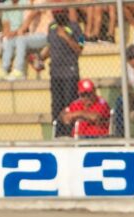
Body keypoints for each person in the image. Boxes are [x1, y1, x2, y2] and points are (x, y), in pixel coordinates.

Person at [42, 8, 82, 137]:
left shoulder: (76, 27)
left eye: (60, 13)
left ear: (66, 13)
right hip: (55, 72)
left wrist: (66, 37)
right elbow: (51, 46)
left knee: (70, 103)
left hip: (70, 73)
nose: (58, 16)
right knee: (56, 105)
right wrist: (41, 58)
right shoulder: (51, 27)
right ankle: (58, 134)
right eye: (55, 14)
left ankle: (70, 133)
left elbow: (80, 49)